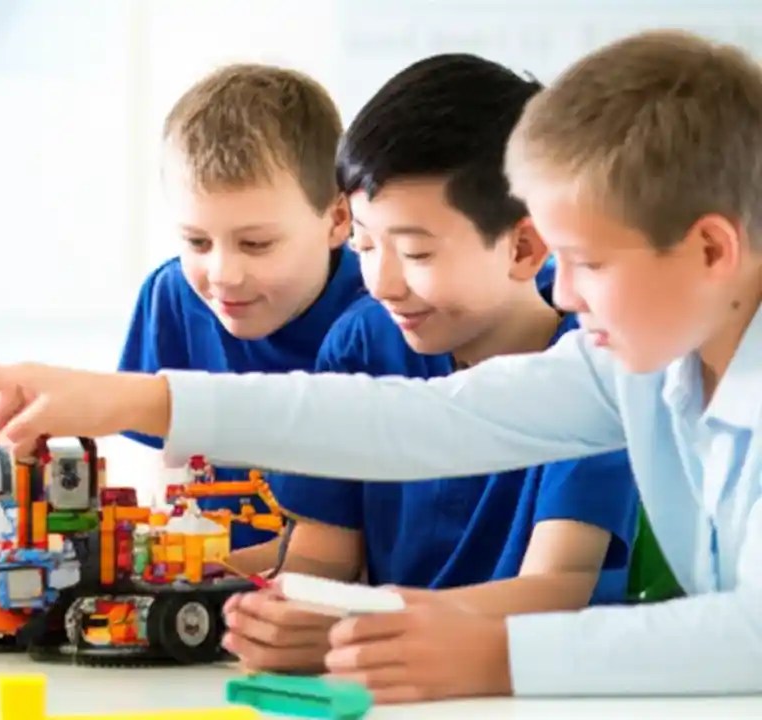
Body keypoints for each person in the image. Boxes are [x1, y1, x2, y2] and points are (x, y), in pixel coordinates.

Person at [0, 29, 762, 700]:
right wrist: (129, 397)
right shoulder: (642, 369)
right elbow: (424, 420)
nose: (566, 294)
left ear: (711, 250)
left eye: (592, 264)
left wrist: (493, 650)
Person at [218, 54, 639, 674]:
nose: (382, 283)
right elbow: (327, 557)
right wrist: (249, 605)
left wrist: (365, 629)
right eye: (363, 243)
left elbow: (559, 589)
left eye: (415, 251)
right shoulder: (362, 345)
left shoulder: (595, 361)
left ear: (523, 246)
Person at [117, 63, 363, 548]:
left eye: (255, 244)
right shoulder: (170, 296)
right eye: (197, 241)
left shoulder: (377, 320)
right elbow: (161, 474)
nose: (223, 275)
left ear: (337, 219)